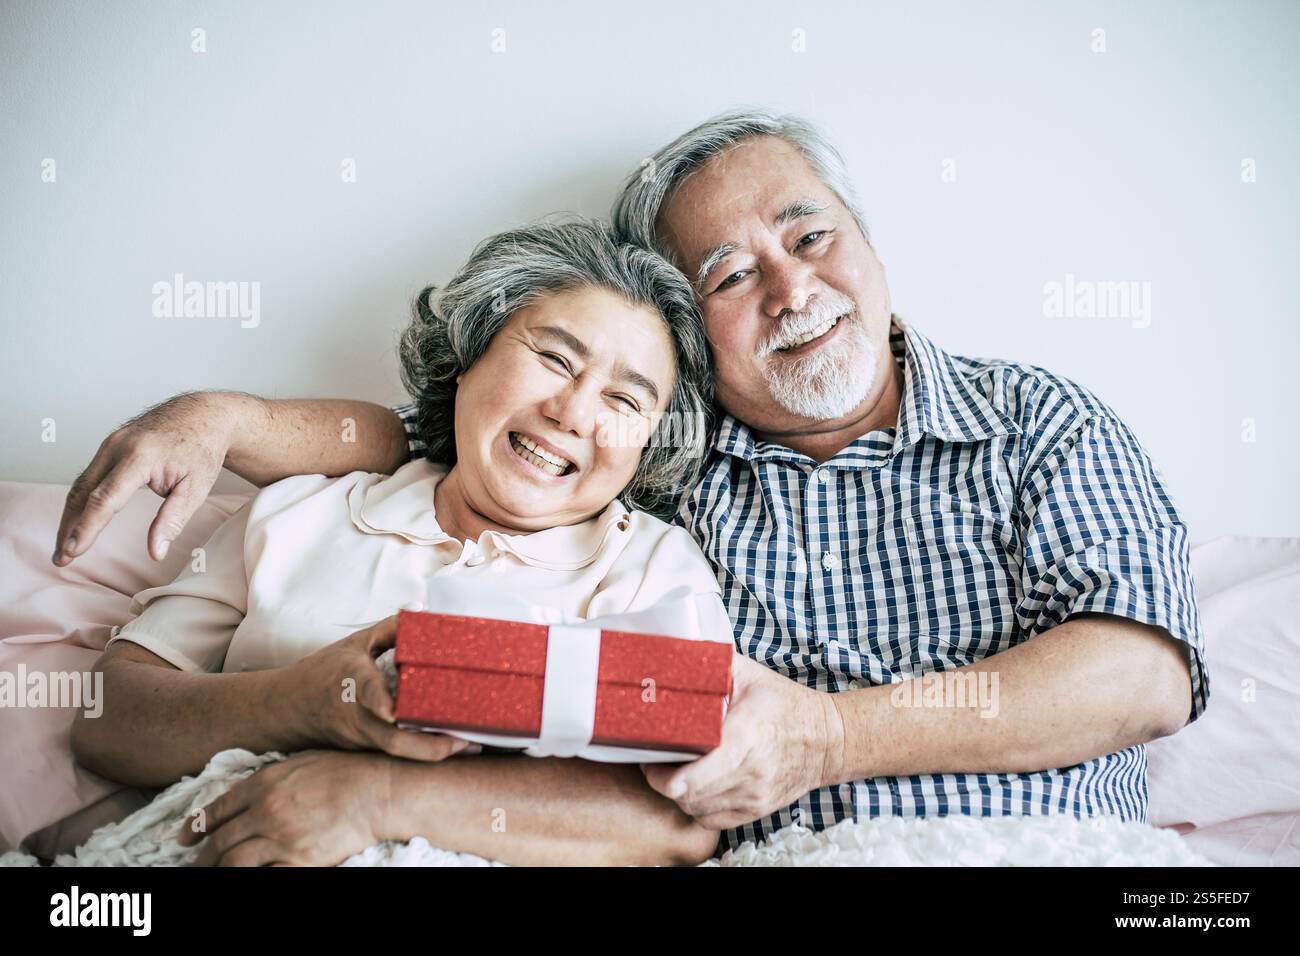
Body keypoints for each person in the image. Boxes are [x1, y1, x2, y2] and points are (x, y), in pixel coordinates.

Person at [56, 111, 1208, 857]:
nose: (789, 288)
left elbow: (1144, 674)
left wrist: (823, 736)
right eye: (729, 273)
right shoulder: (667, 473)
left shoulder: (1034, 421)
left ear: (867, 240)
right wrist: (233, 417)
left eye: (809, 237)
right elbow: (439, 435)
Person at [70, 219, 727, 866]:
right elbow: (108, 721)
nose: (574, 414)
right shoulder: (299, 510)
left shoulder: (654, 569)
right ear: (469, 358)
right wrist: (299, 702)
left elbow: (683, 818)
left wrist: (377, 799)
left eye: (624, 401)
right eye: (555, 359)